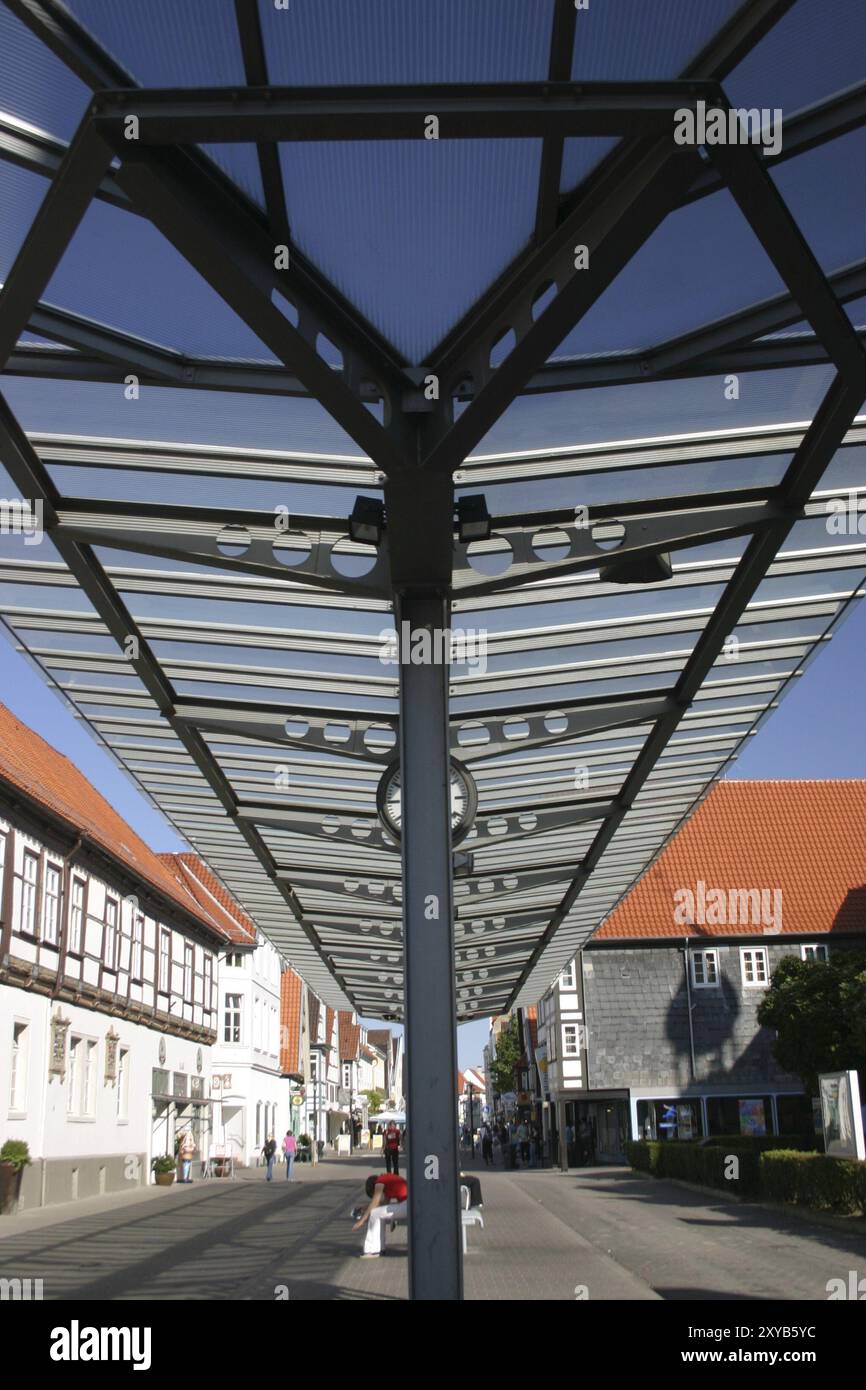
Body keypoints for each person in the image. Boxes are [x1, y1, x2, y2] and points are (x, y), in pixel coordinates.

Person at [353, 1171, 408, 1258]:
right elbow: (384, 1204)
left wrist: (361, 1221)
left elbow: (375, 1201)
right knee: (378, 1213)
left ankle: (371, 1250)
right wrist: (365, 1207)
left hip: (407, 1205)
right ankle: (380, 1248)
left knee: (374, 1213)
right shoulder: (387, 1179)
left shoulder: (380, 1181)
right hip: (408, 1204)